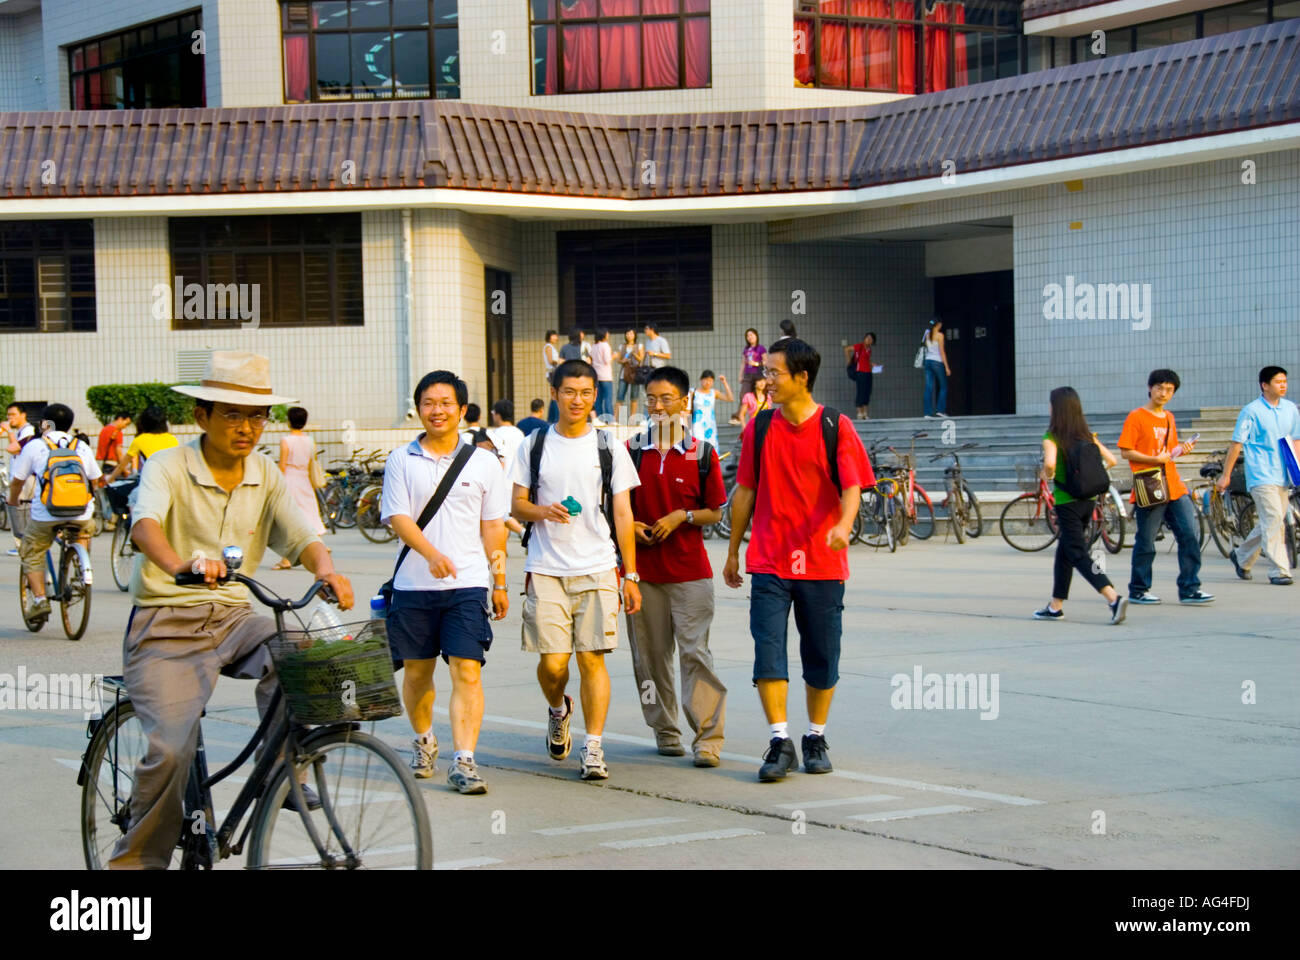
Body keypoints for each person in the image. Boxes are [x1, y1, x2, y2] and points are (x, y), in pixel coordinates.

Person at [107, 351, 353, 868]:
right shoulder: (168, 465)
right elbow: (144, 524)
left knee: (300, 652)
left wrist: (326, 570)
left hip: (235, 618)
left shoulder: (265, 472)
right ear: (202, 415)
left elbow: (301, 536)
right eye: (233, 414)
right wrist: (177, 565)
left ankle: (283, 771)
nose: (247, 428)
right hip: (166, 624)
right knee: (170, 752)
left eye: (257, 416)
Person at [722, 339, 874, 782]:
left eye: (774, 373)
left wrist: (844, 526)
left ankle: (815, 736)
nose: (765, 380)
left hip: (822, 562)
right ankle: (779, 741)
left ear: (802, 377)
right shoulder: (760, 427)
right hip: (769, 560)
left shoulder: (835, 426)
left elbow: (853, 487)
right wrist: (733, 551)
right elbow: (745, 490)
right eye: (764, 372)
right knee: (768, 651)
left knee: (822, 655)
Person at [509, 359, 642, 781]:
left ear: (594, 396)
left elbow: (623, 514)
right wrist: (542, 511)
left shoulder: (609, 447)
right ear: (554, 394)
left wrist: (631, 575)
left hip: (598, 567)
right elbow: (516, 505)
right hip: (546, 568)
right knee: (553, 664)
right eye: (569, 392)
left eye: (586, 393)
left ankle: (594, 747)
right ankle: (558, 708)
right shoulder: (533, 445)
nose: (577, 400)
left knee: (592, 660)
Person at [381, 371, 510, 795]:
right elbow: (398, 517)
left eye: (446, 403)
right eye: (429, 403)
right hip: (413, 585)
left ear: (461, 410)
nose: (437, 410)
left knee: (467, 670)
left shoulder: (484, 462)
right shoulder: (401, 459)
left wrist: (499, 580)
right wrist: (431, 554)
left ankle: (464, 760)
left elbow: (493, 527)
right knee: (417, 674)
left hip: (468, 584)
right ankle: (423, 740)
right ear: (418, 408)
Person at [627, 367, 728, 765]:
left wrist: (681, 517)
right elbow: (616, 508)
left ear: (685, 402)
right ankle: (665, 729)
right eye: (651, 399)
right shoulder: (631, 451)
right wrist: (631, 527)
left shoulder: (702, 453)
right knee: (649, 658)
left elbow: (714, 511)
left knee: (695, 654)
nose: (657, 406)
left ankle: (708, 737)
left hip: (690, 573)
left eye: (666, 398)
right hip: (643, 575)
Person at [1033, 387, 1128, 624]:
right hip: (1088, 502)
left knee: (1076, 553)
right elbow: (1112, 460)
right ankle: (1055, 606)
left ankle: (1113, 598)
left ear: (1057, 409)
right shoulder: (1087, 435)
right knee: (1064, 553)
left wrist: (1047, 474)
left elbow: (1051, 464)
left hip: (1067, 504)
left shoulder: (1052, 436)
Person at [1118, 370, 1213, 605]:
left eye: (1169, 389)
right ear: (1150, 388)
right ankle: (1139, 589)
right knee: (1146, 540)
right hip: (1150, 483)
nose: (1163, 393)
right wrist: (1154, 459)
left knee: (1189, 535)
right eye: (1159, 387)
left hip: (1174, 484)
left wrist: (1181, 450)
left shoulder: (1169, 417)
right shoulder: (1136, 416)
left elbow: (1168, 453)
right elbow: (1126, 451)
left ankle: (1190, 588)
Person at [6, 402, 101, 619]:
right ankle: (79, 567)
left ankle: (40, 600)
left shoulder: (35, 446)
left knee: (32, 550)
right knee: (83, 531)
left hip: (46, 514)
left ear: (45, 424)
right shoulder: (81, 446)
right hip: (81, 512)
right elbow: (95, 480)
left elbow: (17, 481)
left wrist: (13, 500)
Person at [1219, 366, 1300, 586]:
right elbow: (1237, 443)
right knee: (1274, 519)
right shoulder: (1251, 411)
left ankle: (1241, 556)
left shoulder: (1290, 409)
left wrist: (1298, 469)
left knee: (1271, 519)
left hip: (1284, 475)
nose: (1283, 385)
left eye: (1285, 381)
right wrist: (1226, 475)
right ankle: (1279, 570)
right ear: (1264, 385)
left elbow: (1296, 440)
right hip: (1261, 474)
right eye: (1278, 382)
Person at [272, 406, 327, 569]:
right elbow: (311, 463)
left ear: (289, 421)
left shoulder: (286, 441)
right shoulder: (310, 441)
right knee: (310, 513)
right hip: (304, 479)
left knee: (288, 517)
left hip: (290, 479)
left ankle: (286, 559)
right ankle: (320, 545)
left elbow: (282, 466)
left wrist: (276, 483)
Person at [102, 406, 179, 484]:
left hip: (153, 481)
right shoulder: (172, 439)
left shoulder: (139, 440)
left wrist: (109, 480)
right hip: (173, 480)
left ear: (144, 423)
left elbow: (121, 466)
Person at [3, 402, 37, 555]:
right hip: (20, 477)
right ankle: (21, 544)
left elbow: (15, 449)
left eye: (13, 414)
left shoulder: (29, 430)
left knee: (22, 511)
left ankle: (24, 545)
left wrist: (9, 431)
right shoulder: (21, 431)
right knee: (18, 511)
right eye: (8, 415)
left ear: (23, 415)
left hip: (26, 478)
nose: (10, 418)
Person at [731, 328, 767, 424]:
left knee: (761, 394)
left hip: (758, 374)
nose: (750, 337)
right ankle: (738, 417)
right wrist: (740, 375)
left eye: (751, 335)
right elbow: (743, 363)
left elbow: (766, 361)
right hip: (747, 375)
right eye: (748, 336)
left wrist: (756, 364)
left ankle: (764, 414)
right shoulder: (746, 349)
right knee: (743, 394)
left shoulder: (761, 348)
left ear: (756, 336)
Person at [690, 370, 733, 448]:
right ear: (701, 379)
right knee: (698, 445)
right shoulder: (693, 392)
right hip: (697, 424)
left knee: (710, 447)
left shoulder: (714, 393)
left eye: (710, 380)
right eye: (706, 380)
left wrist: (724, 383)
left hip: (710, 425)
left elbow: (730, 398)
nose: (708, 382)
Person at [921, 318, 951, 418]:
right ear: (938, 324)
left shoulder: (927, 334)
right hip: (937, 362)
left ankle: (927, 413)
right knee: (943, 386)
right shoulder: (940, 335)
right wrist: (947, 367)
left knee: (928, 387)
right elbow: (942, 352)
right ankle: (940, 410)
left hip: (928, 361)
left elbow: (924, 347)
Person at [844, 332, 876, 420]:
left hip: (868, 373)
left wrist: (872, 364)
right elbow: (847, 349)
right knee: (860, 392)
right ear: (864, 339)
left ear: (873, 341)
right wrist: (849, 361)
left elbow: (866, 360)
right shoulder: (859, 346)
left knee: (867, 392)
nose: (869, 340)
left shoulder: (869, 349)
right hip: (860, 372)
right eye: (867, 338)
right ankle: (859, 413)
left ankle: (865, 413)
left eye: (871, 339)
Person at [487, 398, 526, 471]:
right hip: (517, 475)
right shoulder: (519, 433)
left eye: (493, 412)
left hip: (501, 475)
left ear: (498, 415)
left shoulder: (494, 434)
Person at [616, 328, 644, 423]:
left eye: (631, 333)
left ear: (635, 335)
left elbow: (641, 359)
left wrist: (634, 354)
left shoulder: (639, 346)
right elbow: (618, 359)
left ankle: (632, 419)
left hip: (635, 373)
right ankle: (615, 419)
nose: (629, 335)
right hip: (624, 373)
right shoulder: (622, 346)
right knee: (620, 397)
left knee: (634, 397)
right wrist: (622, 360)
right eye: (627, 333)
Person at [590, 329, 615, 423]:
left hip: (596, 375)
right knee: (608, 399)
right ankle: (610, 420)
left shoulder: (594, 346)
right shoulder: (605, 345)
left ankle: (600, 420)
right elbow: (607, 361)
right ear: (604, 335)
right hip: (606, 376)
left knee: (598, 399)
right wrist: (614, 356)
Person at [543, 331, 562, 423]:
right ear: (549, 337)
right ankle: (555, 418)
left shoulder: (551, 347)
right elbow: (551, 361)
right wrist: (560, 361)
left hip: (552, 372)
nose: (556, 338)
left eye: (556, 336)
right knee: (556, 395)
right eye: (553, 336)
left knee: (554, 395)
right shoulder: (548, 347)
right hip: (553, 372)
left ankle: (551, 418)